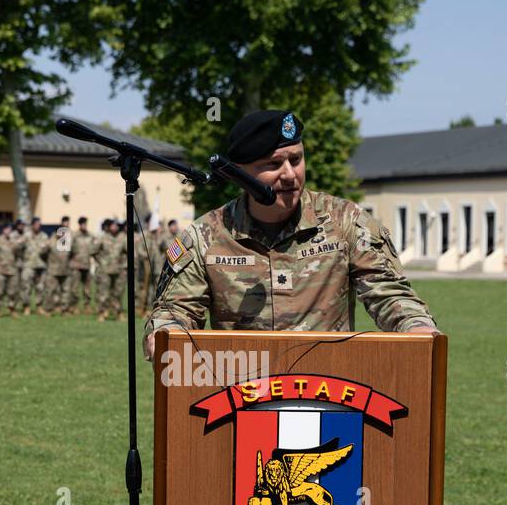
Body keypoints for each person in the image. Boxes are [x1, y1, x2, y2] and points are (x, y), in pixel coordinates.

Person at [144, 110, 440, 359]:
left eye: (296, 160)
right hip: (238, 394)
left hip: (331, 389)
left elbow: (389, 294)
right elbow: (176, 310)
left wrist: (416, 326)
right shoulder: (204, 236)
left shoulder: (346, 222)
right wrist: (166, 332)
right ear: (238, 173)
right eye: (273, 164)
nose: (289, 174)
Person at [96, 218, 126, 322]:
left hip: (118, 270)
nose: (115, 227)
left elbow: (128, 252)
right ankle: (101, 313)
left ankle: (118, 313)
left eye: (116, 225)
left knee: (117, 294)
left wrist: (123, 264)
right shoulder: (103, 238)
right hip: (105, 271)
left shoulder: (122, 238)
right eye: (113, 225)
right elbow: (93, 250)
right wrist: (101, 262)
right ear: (109, 227)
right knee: (104, 294)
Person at [0, 223, 20, 317]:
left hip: (12, 270)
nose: (9, 231)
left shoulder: (13, 241)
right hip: (0, 270)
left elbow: (17, 254)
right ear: (3, 230)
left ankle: (12, 309)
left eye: (10, 229)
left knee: (13, 291)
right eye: (7, 229)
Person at [21, 218, 50, 316]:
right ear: (32, 225)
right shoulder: (26, 236)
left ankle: (39, 307)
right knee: (26, 287)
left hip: (40, 265)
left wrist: (45, 249)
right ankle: (26, 307)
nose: (39, 226)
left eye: (39, 224)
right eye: (37, 224)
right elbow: (18, 247)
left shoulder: (44, 236)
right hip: (28, 265)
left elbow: (47, 249)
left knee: (40, 288)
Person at [68, 216, 97, 315]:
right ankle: (74, 306)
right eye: (82, 224)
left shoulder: (91, 236)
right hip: (76, 265)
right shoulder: (74, 235)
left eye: (85, 223)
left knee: (87, 288)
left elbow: (95, 248)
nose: (84, 225)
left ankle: (87, 306)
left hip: (87, 265)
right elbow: (68, 250)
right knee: (75, 288)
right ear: (79, 224)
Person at [45, 218, 73, 315]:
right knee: (50, 291)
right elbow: (42, 253)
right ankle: (48, 310)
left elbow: (72, 253)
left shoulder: (66, 242)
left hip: (65, 270)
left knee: (66, 291)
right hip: (53, 270)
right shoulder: (50, 242)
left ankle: (64, 310)